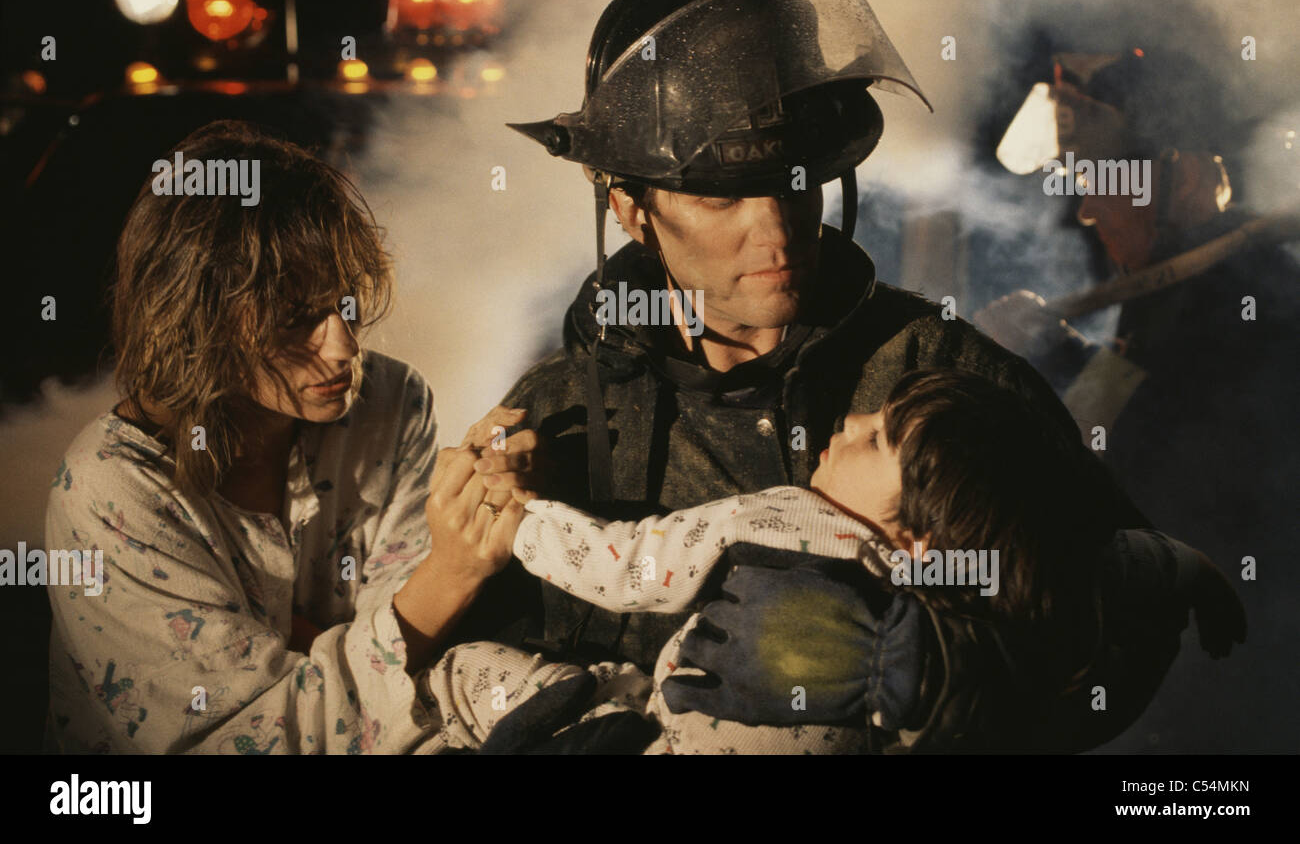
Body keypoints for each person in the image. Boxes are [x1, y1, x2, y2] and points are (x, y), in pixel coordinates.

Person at [494, 0, 1206, 750]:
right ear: (631, 207)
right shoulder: (557, 416)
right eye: (722, 195)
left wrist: (940, 677)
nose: (775, 229)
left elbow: (1119, 634)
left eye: (794, 182)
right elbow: (445, 675)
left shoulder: (946, 381)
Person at [421, 369, 1242, 754]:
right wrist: (1198, 574)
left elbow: (626, 565)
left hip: (662, 732)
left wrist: (517, 519)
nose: (848, 424)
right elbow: (1120, 565)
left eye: (876, 439)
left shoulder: (791, 521)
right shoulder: (1002, 593)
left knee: (469, 675)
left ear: (919, 537)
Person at [44, 120, 540, 753]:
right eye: (295, 320)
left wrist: (476, 503)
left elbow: (416, 666)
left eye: (345, 303)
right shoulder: (110, 491)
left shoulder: (389, 403)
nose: (344, 348)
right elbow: (247, 738)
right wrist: (453, 571)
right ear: (198, 318)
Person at [978, 47, 1300, 750]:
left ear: (1184, 176)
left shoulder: (1248, 297)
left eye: (1100, 181)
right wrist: (1056, 353)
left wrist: (1046, 366)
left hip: (1237, 678)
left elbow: (1163, 467)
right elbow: (1129, 406)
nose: (1087, 209)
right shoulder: (1173, 288)